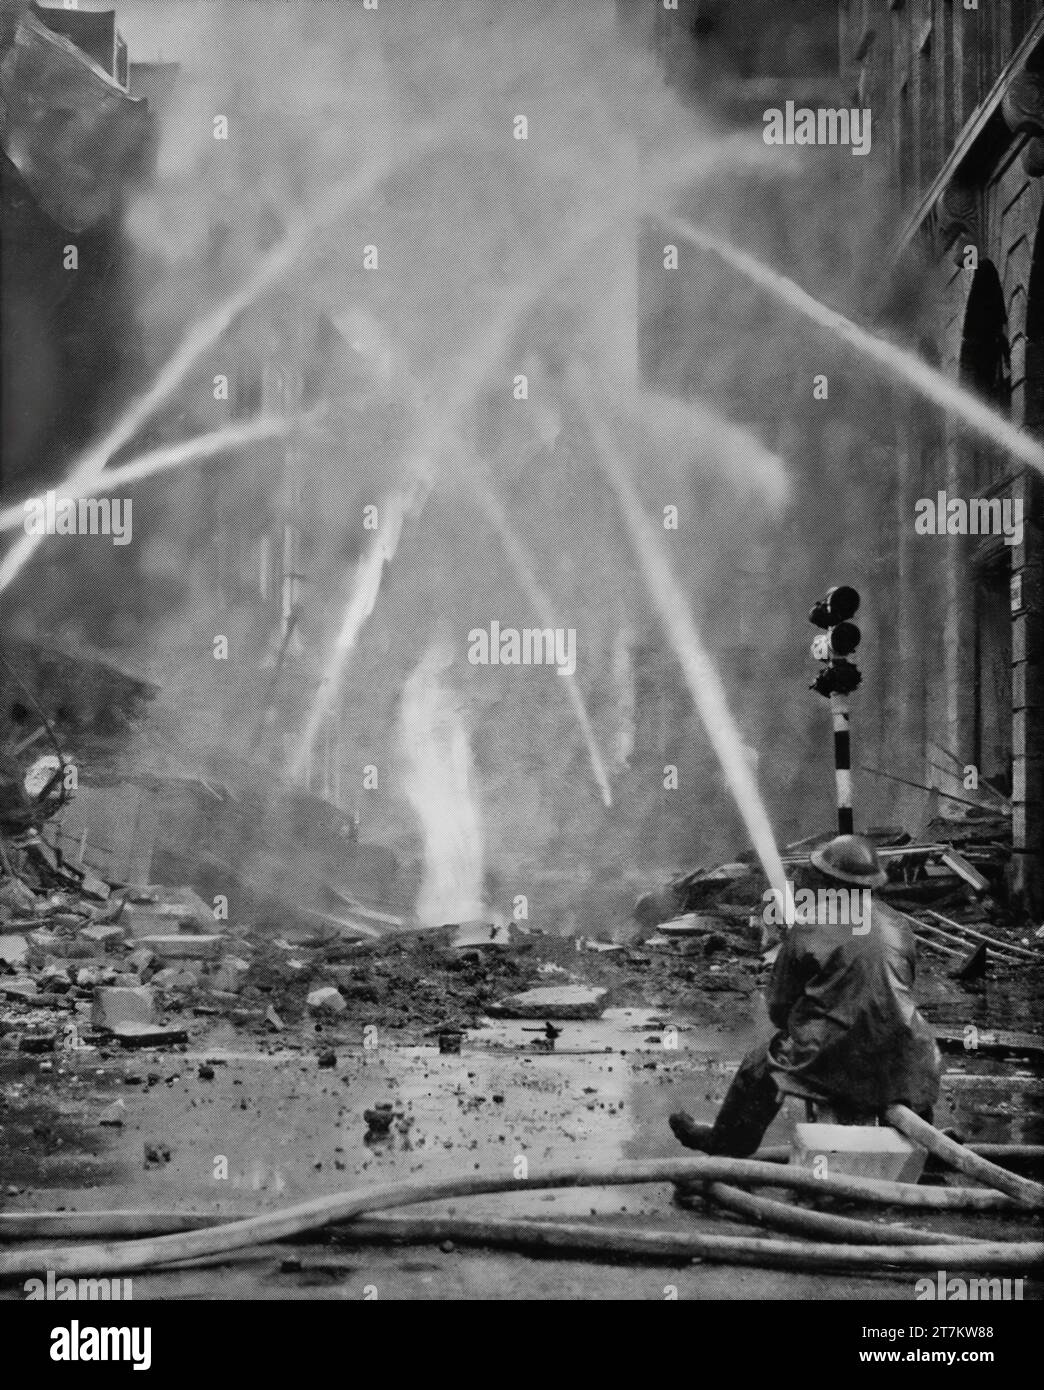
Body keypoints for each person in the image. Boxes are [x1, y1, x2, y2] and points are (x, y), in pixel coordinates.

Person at [669, 834, 941, 1157]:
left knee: (759, 1067)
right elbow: (901, 989)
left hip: (832, 1056)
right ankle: (930, 1149)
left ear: (826, 880)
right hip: (904, 1056)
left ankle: (725, 1149)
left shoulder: (810, 921)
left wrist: (802, 1026)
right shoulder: (898, 924)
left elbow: (779, 1005)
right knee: (914, 1054)